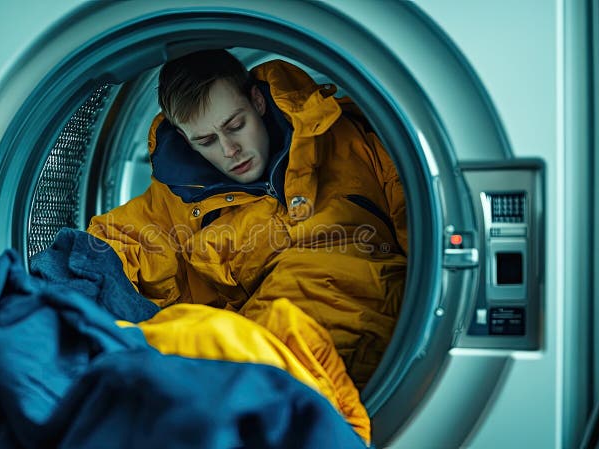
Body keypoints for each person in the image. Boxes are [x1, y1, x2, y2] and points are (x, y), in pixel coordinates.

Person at [88, 49, 408, 389]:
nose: (229, 150)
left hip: (373, 326)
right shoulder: (179, 198)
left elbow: (424, 226)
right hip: (260, 354)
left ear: (257, 101)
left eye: (235, 126)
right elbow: (121, 243)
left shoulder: (347, 137)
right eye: (206, 141)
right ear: (185, 140)